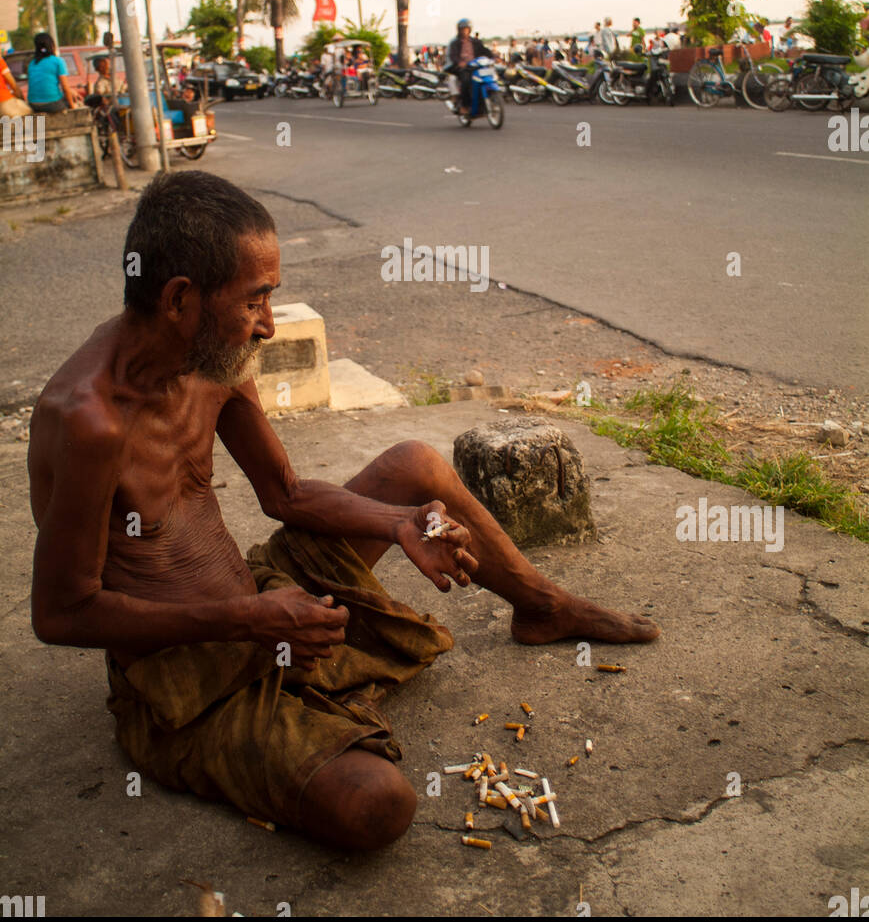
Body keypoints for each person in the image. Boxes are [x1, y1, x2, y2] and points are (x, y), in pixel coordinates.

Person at [28, 172, 658, 852]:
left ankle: (543, 605)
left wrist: (396, 524)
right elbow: (62, 612)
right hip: (188, 677)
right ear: (181, 299)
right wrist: (249, 620)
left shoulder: (214, 359)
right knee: (376, 806)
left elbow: (286, 496)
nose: (268, 323)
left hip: (264, 601)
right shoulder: (89, 420)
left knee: (415, 465)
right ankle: (305, 699)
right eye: (255, 300)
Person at [445, 18, 494, 116]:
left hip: (476, 66)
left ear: (470, 30)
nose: (464, 31)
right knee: (466, 80)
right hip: (463, 68)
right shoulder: (455, 43)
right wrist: (459, 62)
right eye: (462, 29)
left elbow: (485, 51)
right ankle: (464, 105)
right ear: (459, 30)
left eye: (466, 29)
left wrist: (494, 57)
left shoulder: (476, 42)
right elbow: (453, 55)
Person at [26, 34, 77, 114]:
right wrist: (73, 107)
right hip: (52, 104)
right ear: (52, 45)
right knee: (72, 99)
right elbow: (65, 87)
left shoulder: (32, 63)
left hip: (33, 104)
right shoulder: (57, 61)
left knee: (71, 93)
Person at [0, 50, 30, 117]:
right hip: (3, 101)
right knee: (30, 112)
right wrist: (22, 99)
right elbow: (13, 85)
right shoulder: (0, 61)